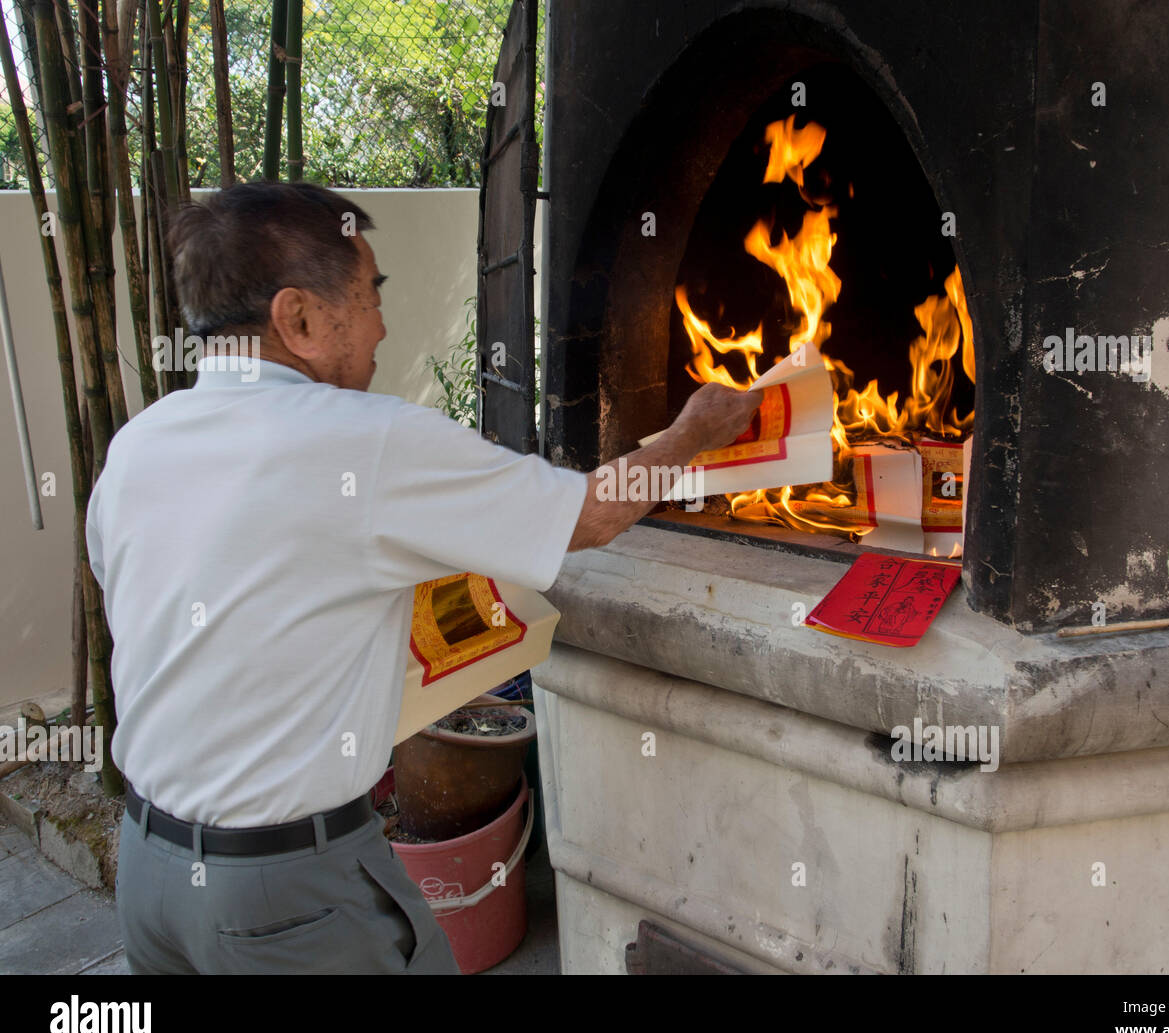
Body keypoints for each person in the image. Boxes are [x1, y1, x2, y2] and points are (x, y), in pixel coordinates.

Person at [85, 181, 760, 974]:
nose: (381, 324)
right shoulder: (363, 441)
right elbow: (589, 517)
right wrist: (692, 435)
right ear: (297, 318)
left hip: (150, 873)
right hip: (285, 899)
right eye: (370, 294)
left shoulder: (137, 446)